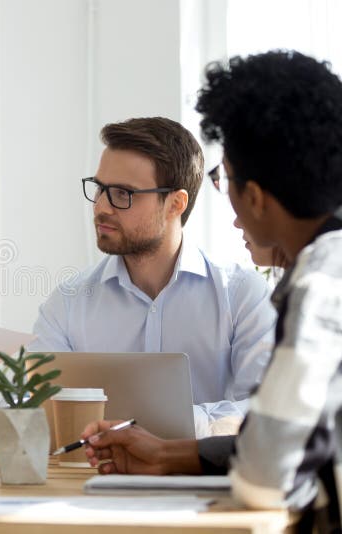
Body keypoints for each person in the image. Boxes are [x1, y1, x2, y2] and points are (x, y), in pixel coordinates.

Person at [82, 50, 342, 531]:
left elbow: (267, 473)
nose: (230, 208)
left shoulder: (322, 285)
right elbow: (290, 440)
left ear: (257, 196)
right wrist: (168, 455)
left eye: (224, 181)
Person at [28, 117, 276, 437]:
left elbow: (264, 408)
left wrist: (168, 423)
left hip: (203, 481)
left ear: (175, 203)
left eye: (123, 193)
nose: (102, 206)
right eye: (100, 188)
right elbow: (34, 402)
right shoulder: (69, 301)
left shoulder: (241, 294)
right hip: (90, 480)